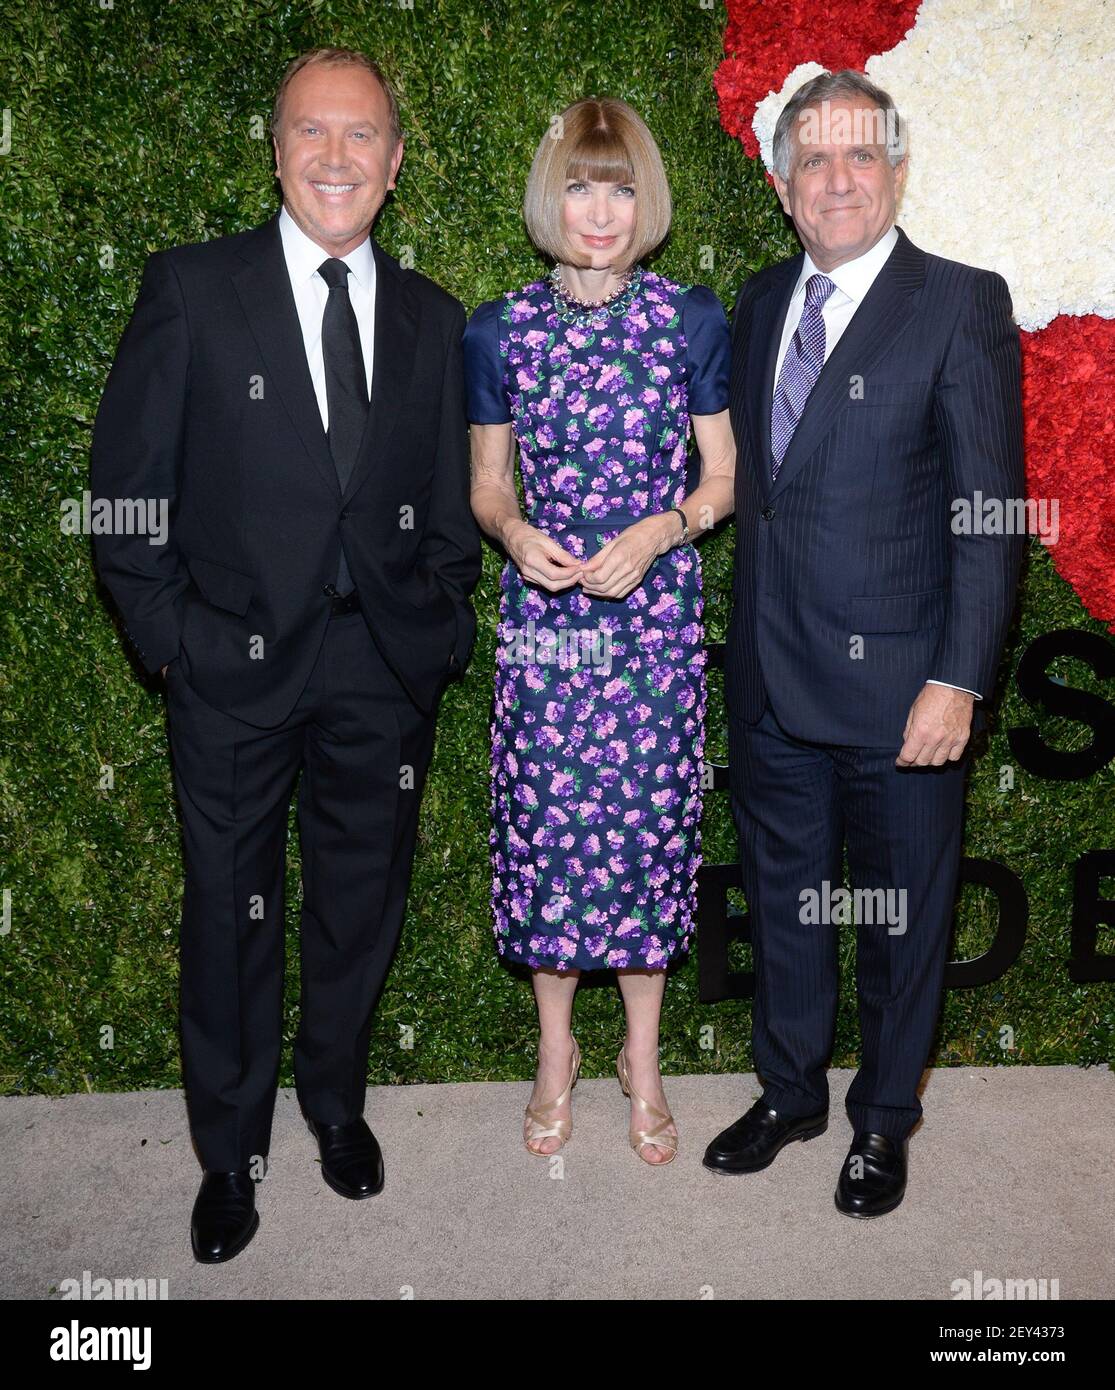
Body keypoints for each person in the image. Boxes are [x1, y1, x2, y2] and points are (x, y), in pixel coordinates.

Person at [90, 47, 481, 1261]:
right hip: (232, 673)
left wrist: (439, 615)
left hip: (381, 670)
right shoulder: (194, 290)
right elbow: (123, 495)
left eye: (359, 135)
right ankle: (233, 1154)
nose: (334, 156)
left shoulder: (430, 315)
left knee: (358, 910)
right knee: (230, 918)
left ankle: (333, 1103)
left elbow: (448, 502)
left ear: (395, 160)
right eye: (311, 131)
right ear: (274, 147)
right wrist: (172, 645)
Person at [705, 70, 1024, 1215]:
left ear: (893, 172)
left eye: (857, 156)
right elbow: (751, 488)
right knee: (783, 906)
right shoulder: (750, 303)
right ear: (783, 185)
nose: (834, 179)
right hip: (768, 684)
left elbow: (987, 517)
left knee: (899, 920)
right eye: (812, 161)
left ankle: (881, 1121)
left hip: (902, 695)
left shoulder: (958, 304)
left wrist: (956, 681)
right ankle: (788, 1090)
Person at [465, 98, 735, 1165]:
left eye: (620, 186)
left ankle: (641, 1058)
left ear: (644, 200)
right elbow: (486, 486)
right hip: (545, 623)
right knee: (546, 838)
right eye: (580, 183)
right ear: (551, 196)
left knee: (642, 837)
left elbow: (723, 479)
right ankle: (552, 1054)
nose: (600, 209)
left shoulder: (690, 319)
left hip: (653, 623)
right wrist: (514, 532)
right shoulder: (497, 329)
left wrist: (665, 527)